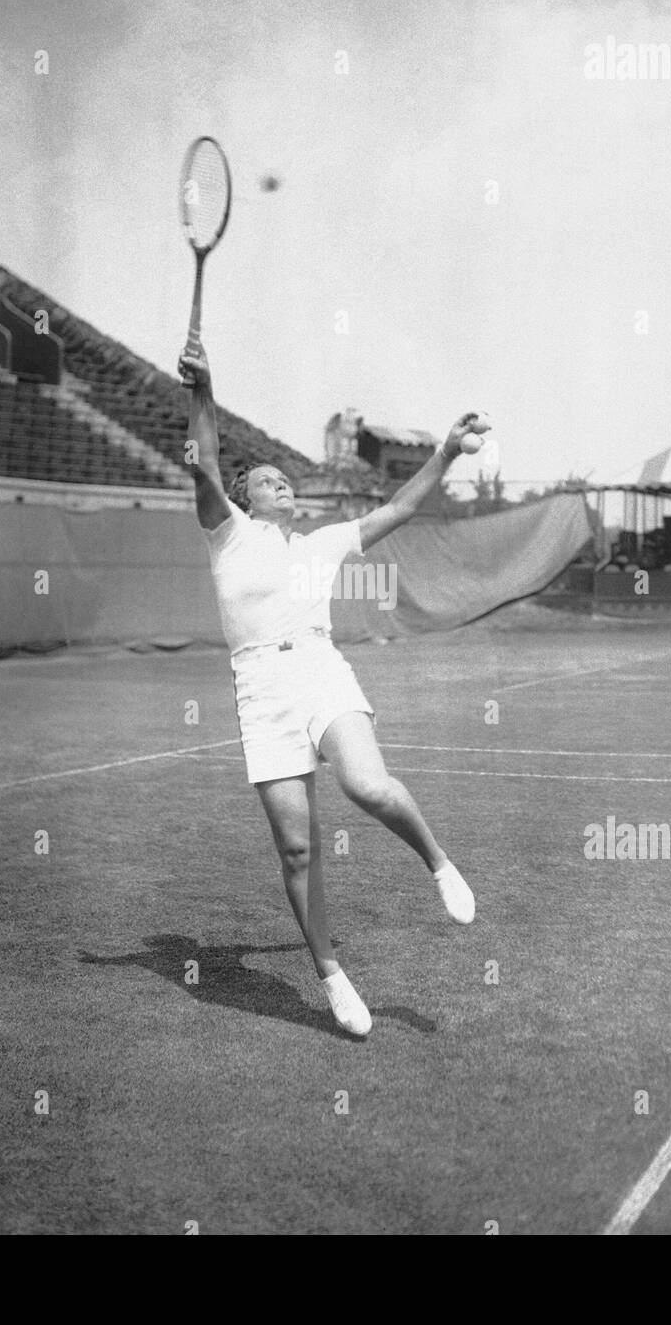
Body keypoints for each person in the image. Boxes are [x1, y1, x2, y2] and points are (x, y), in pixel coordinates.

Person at [181, 344, 479, 1037]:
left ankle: (438, 864)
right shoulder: (225, 536)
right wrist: (204, 390)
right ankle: (332, 978)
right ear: (244, 495)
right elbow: (202, 461)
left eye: (287, 479)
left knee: (367, 788)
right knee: (296, 850)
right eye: (269, 480)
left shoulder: (321, 543)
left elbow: (401, 507)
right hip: (260, 689)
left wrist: (447, 451)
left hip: (320, 669)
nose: (283, 484)